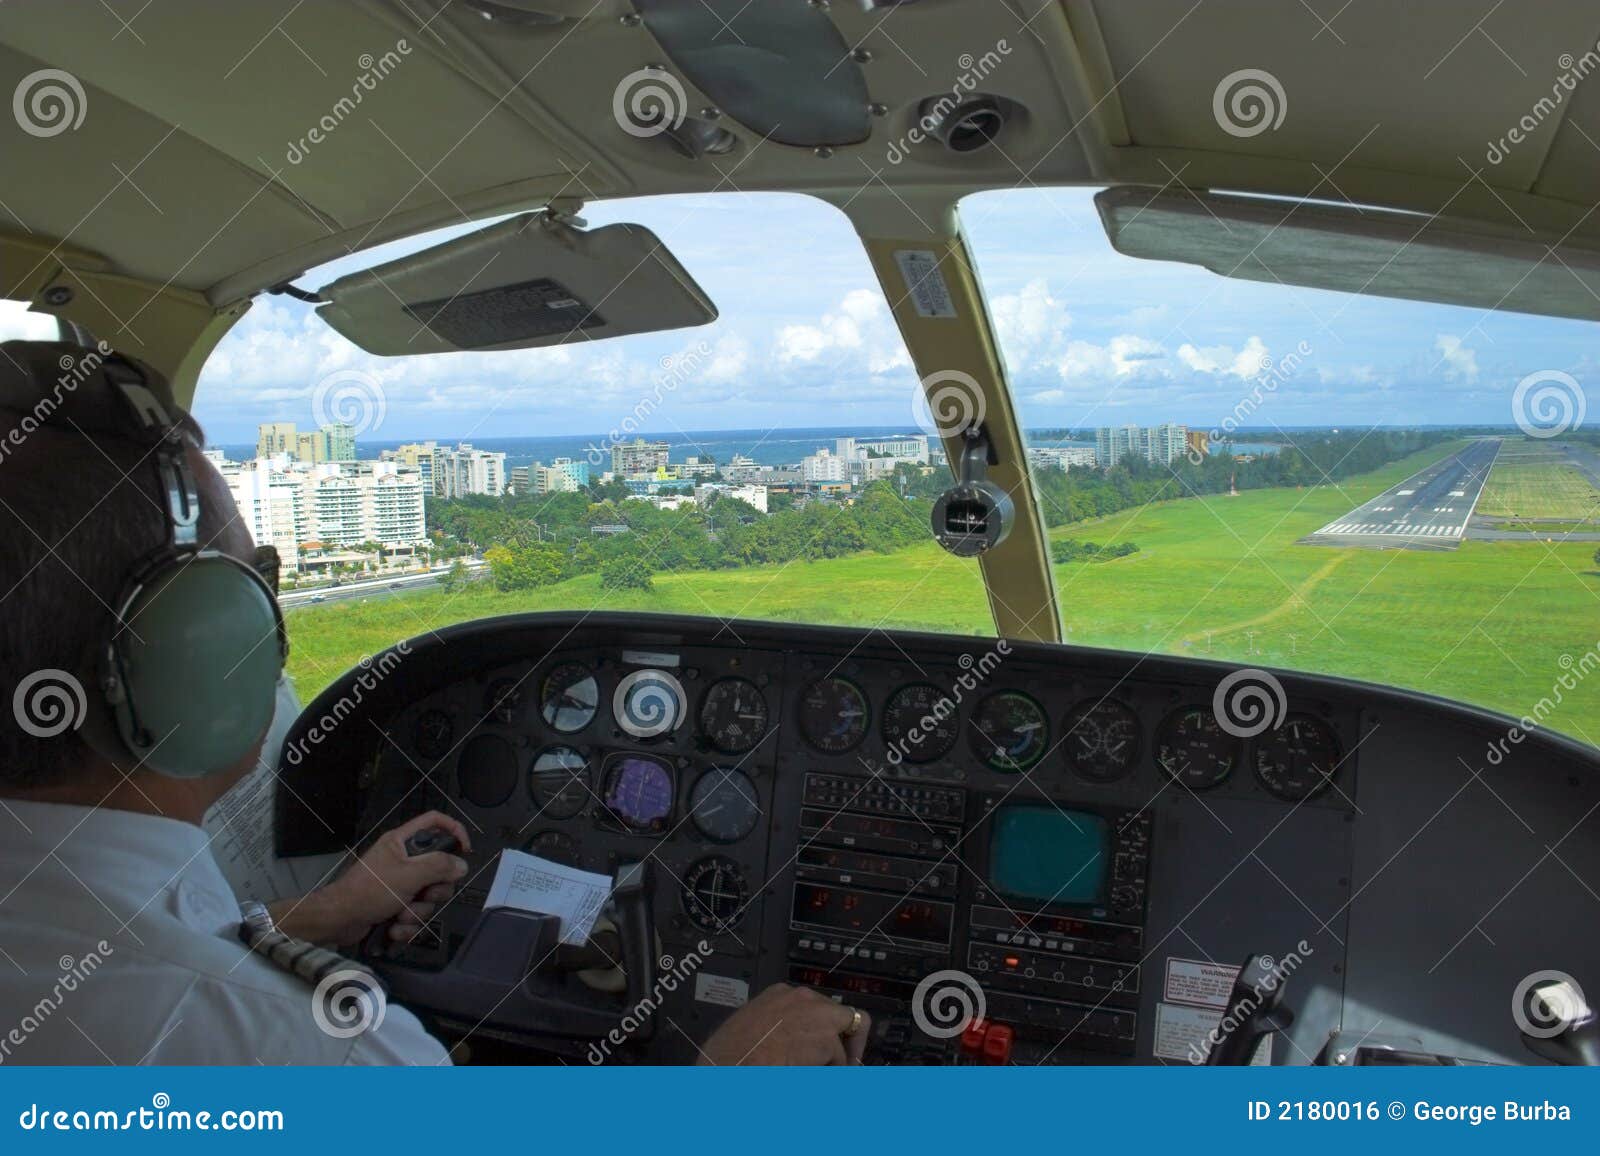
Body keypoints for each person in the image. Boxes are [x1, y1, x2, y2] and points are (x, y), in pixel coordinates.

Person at [0, 340, 867, 1065]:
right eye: (251, 583)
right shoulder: (324, 1056)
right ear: (196, 649)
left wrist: (316, 917)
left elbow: (113, 945)